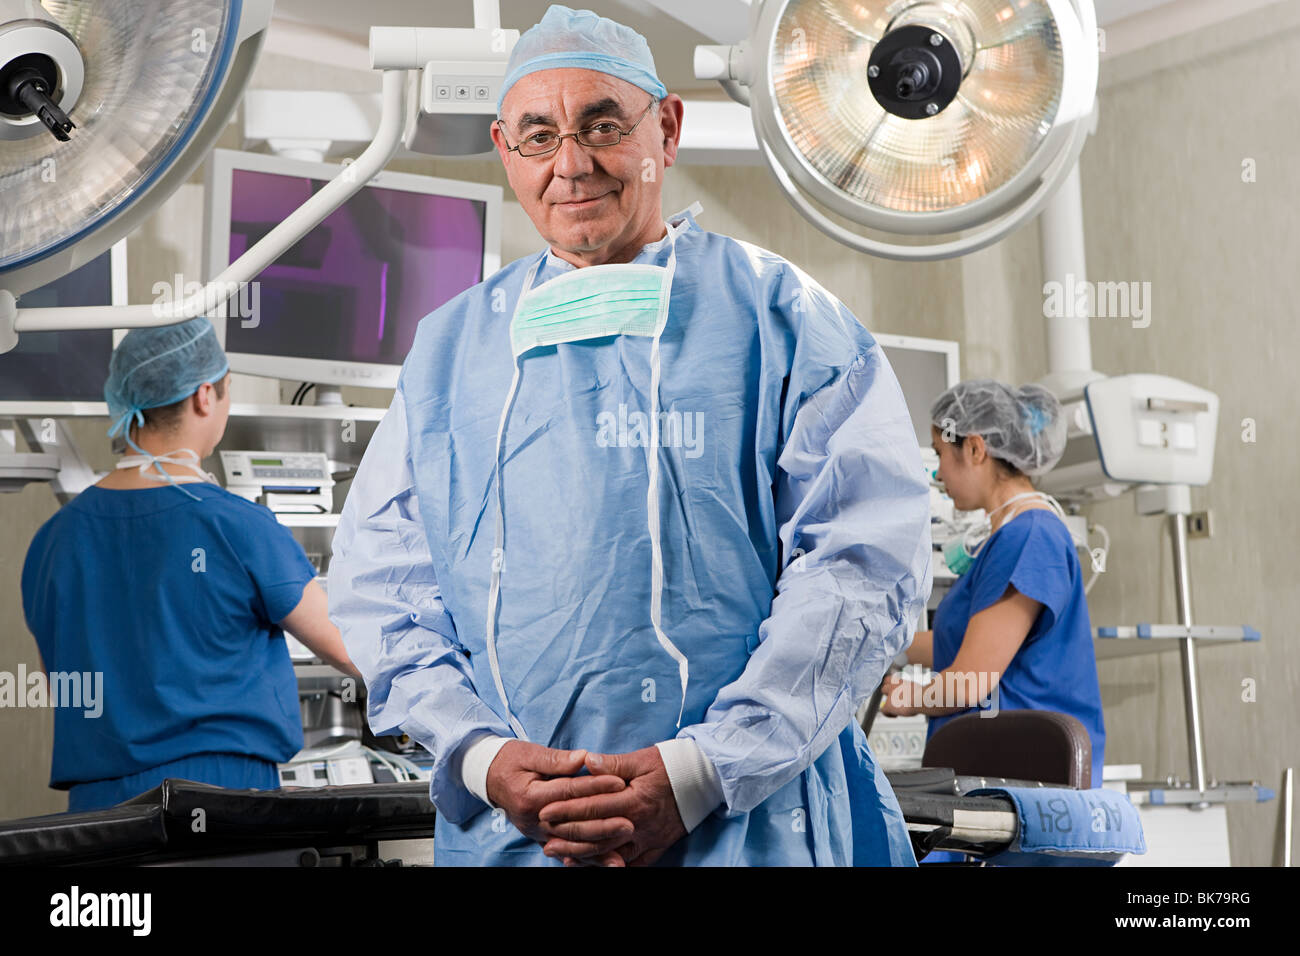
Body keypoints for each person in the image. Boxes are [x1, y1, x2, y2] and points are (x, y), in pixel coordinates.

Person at [329, 4, 932, 867]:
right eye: (538, 136)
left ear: (669, 127)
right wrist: (483, 755)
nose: (571, 165)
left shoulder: (783, 318)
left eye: (603, 125)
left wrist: (701, 773)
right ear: (505, 151)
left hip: (748, 824)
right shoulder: (449, 351)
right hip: (519, 835)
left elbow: (861, 568)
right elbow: (383, 585)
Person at [21, 317, 358, 812]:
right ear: (205, 396)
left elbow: (66, 687)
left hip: (99, 813)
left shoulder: (52, 541)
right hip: (220, 798)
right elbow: (353, 652)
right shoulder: (237, 525)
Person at [880, 380, 1106, 789]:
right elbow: (966, 645)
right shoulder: (1009, 537)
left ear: (975, 449)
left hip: (1024, 782)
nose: (937, 472)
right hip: (995, 771)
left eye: (940, 455)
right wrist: (884, 646)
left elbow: (970, 680)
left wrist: (909, 697)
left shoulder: (1030, 537)